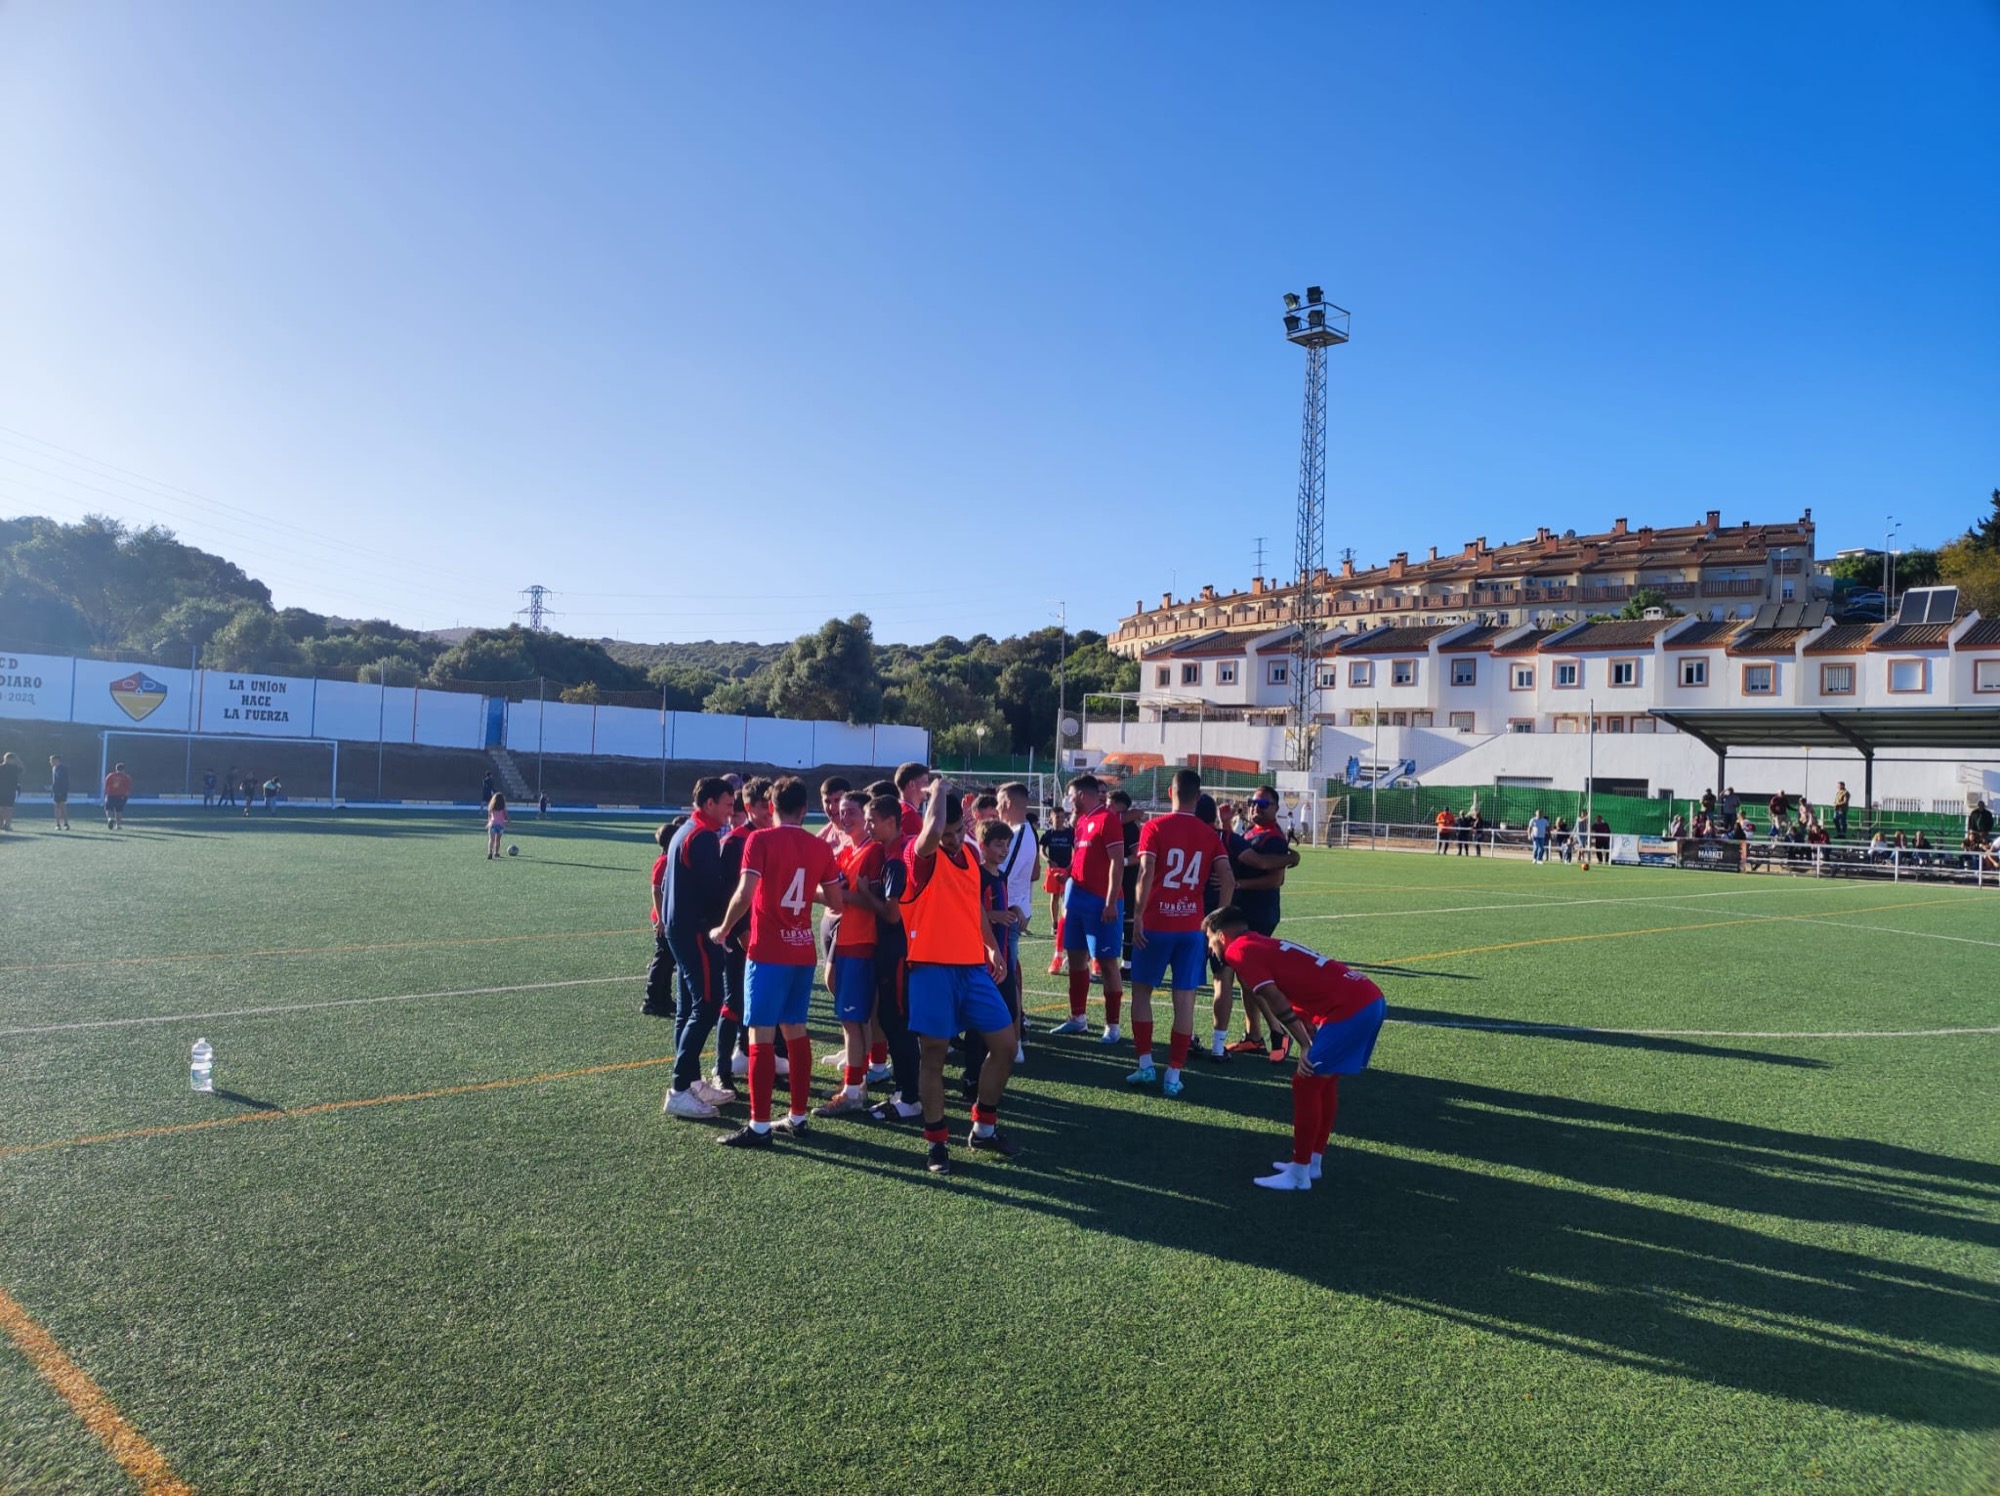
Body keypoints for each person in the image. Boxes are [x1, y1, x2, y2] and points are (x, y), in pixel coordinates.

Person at [1205, 907, 1387, 1192]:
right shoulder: (1259, 942)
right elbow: (1295, 984)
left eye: (1209, 939)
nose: (1209, 947)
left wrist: (1304, 1044)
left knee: (1306, 1083)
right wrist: (1308, 1027)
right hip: (1366, 998)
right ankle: (1311, 1163)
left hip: (1353, 1008)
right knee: (1323, 1083)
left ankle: (1299, 1174)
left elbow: (1275, 998)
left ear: (1221, 936)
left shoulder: (1238, 950)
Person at [710, 776, 845, 1149]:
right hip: (802, 952)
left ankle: (759, 1125)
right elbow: (837, 901)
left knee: (761, 1037)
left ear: (771, 807)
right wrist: (805, 892)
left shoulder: (759, 840)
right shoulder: (820, 847)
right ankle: (798, 1117)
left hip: (768, 952)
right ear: (804, 810)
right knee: (796, 1031)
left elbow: (745, 893)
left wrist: (723, 928)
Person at [900, 776, 1021, 1174]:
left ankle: (983, 1127)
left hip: (971, 968)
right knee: (933, 1055)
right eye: (945, 833)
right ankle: (936, 1142)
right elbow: (932, 830)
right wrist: (937, 791)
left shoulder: (969, 854)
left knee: (1005, 1045)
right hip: (930, 969)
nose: (950, 839)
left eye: (956, 831)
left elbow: (973, 906)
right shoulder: (919, 853)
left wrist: (990, 945)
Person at [1127, 769, 1234, 1098]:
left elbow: (1145, 871)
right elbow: (1228, 880)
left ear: (1170, 793)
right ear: (1198, 798)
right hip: (1191, 928)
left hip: (1156, 924)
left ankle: (1146, 1065)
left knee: (1141, 993)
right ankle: (1173, 1075)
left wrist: (1138, 915)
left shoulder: (1154, 827)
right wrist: (1217, 923)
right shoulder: (1210, 835)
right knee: (1184, 1001)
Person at [661, 777, 739, 1120]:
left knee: (690, 1007)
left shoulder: (686, 829)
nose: (731, 810)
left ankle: (690, 1081)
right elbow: (714, 889)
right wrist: (731, 920)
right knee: (707, 1004)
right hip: (695, 930)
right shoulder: (702, 835)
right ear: (709, 803)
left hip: (681, 928)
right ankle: (679, 1088)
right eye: (727, 804)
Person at [1214, 789, 1302, 1060]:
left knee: (1251, 976)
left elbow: (1276, 880)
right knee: (1246, 977)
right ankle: (1254, 1036)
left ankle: (1278, 1031)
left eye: (1263, 804)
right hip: (1244, 912)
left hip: (1259, 913)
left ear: (1276, 808)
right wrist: (1226, 824)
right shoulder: (1253, 832)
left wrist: (1238, 884)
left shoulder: (1273, 838)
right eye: (1252, 803)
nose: (1256, 807)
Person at [860, 793, 925, 1123]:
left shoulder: (897, 859)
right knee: (892, 1020)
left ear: (890, 821)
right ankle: (905, 1091)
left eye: (872, 821)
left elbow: (891, 913)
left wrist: (863, 894)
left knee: (897, 1022)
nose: (867, 827)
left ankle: (909, 1097)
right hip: (897, 949)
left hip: (898, 950)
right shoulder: (893, 853)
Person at [815, 791, 880, 1117]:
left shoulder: (872, 852)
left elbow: (876, 904)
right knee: (852, 1019)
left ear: (866, 816)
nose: (844, 817)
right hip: (847, 940)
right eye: (842, 811)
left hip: (862, 943)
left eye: (852, 811)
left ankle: (853, 1091)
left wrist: (840, 897)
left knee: (853, 1020)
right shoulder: (848, 851)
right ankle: (856, 1083)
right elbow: (830, 893)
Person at [1049, 774, 1126, 1040]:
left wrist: (1110, 901)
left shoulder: (1108, 819)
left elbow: (1117, 862)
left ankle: (1112, 1026)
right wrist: (1068, 873)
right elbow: (1081, 856)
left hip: (1101, 900)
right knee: (1076, 958)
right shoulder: (1081, 821)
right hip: (1077, 898)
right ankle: (1078, 1018)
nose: (1069, 801)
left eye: (1071, 796)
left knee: (1107, 962)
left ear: (1082, 795)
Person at [642, 819, 683, 1018]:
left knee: (668, 960)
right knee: (662, 958)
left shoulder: (669, 859)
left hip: (667, 916)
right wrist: (660, 919)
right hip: (662, 918)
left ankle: (664, 999)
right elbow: (656, 891)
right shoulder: (664, 861)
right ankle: (650, 1000)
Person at [1040, 805, 1074, 976]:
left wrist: (1071, 865)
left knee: (1065, 897)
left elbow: (1076, 849)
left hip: (1067, 869)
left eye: (1061, 816)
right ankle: (1055, 924)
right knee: (1054, 896)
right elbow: (1041, 849)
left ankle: (1063, 922)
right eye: (1056, 816)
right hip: (1054, 869)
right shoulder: (1049, 834)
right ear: (1051, 818)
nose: (1059, 819)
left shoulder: (1070, 833)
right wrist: (1048, 860)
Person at [893, 761, 931, 839]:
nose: (928, 786)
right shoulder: (910, 816)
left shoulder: (898, 809)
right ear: (912, 784)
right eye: (926, 782)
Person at [103, 762, 132, 830]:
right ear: (123, 769)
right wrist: (125, 796)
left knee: (108, 808)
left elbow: (106, 785)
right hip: (121, 796)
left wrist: (106, 793)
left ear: (116, 769)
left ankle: (109, 819)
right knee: (119, 810)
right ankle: (118, 825)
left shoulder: (110, 776)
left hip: (111, 795)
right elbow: (128, 787)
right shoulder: (126, 777)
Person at [48, 756, 71, 831]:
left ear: (56, 760)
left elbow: (64, 781)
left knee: (62, 806)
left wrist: (62, 791)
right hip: (56, 791)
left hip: (62, 790)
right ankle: (57, 824)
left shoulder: (63, 769)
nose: (50, 762)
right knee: (56, 807)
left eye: (51, 760)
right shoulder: (54, 768)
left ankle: (66, 824)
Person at [0, 751, 21, 833]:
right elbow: (22, 768)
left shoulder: (12, 768)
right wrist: (18, 760)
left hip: (8, 791)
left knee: (5, 808)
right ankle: (5, 824)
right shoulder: (14, 768)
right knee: (7, 809)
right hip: (7, 791)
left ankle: (4, 824)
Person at [485, 793, 507, 858]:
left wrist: (488, 823)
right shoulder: (503, 807)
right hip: (501, 825)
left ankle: (490, 852)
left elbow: (489, 816)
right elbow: (506, 816)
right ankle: (496, 853)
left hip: (492, 824)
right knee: (498, 840)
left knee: (491, 840)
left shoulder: (491, 807)